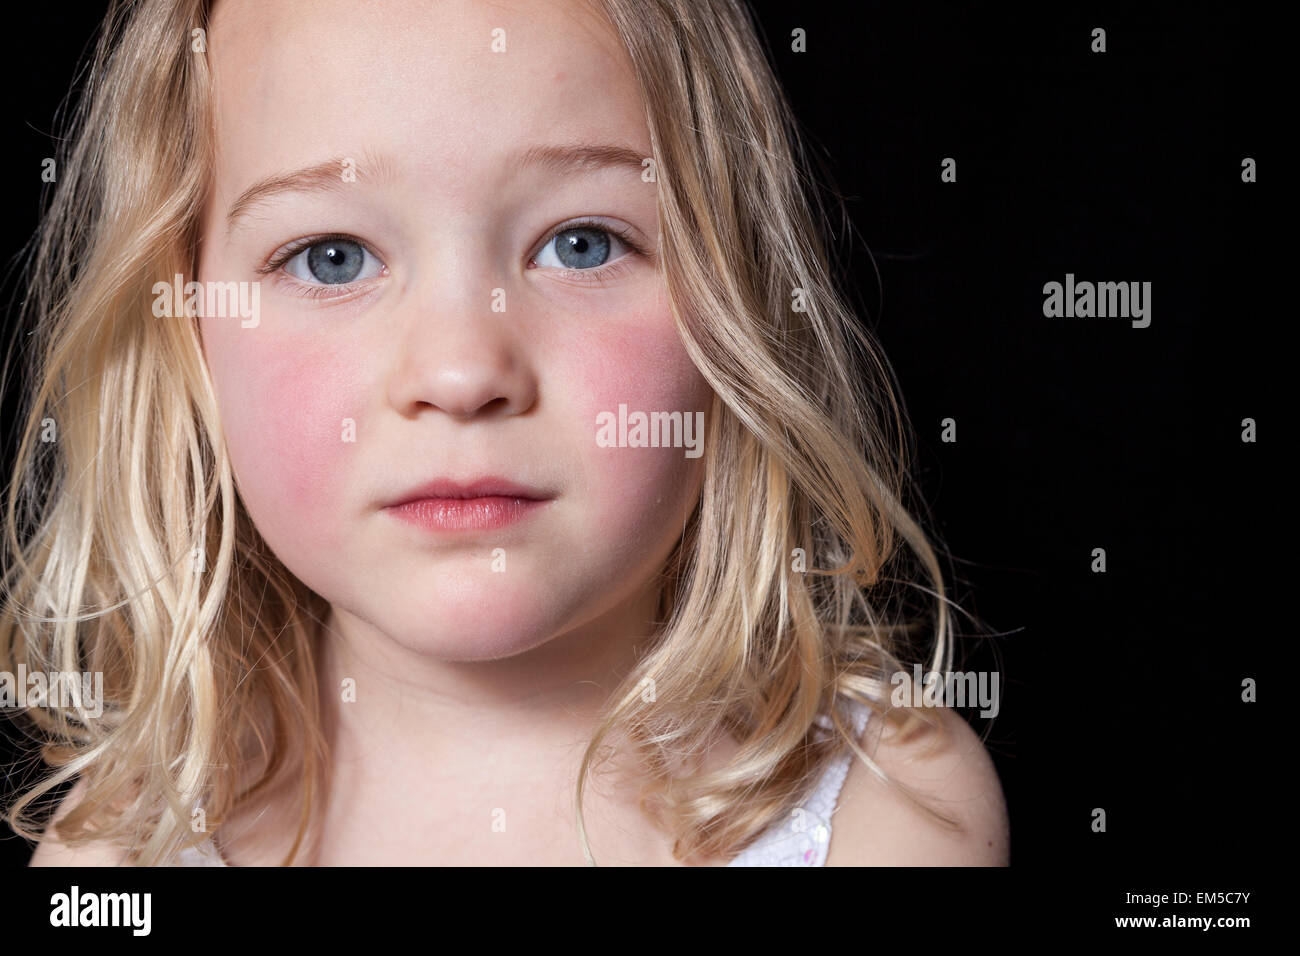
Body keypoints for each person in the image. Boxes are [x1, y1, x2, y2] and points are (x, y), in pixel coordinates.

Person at [3, 0, 1008, 866]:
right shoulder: (125, 847)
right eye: (331, 257)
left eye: (581, 243)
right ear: (186, 331)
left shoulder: (883, 811)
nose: (461, 370)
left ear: (733, 299)